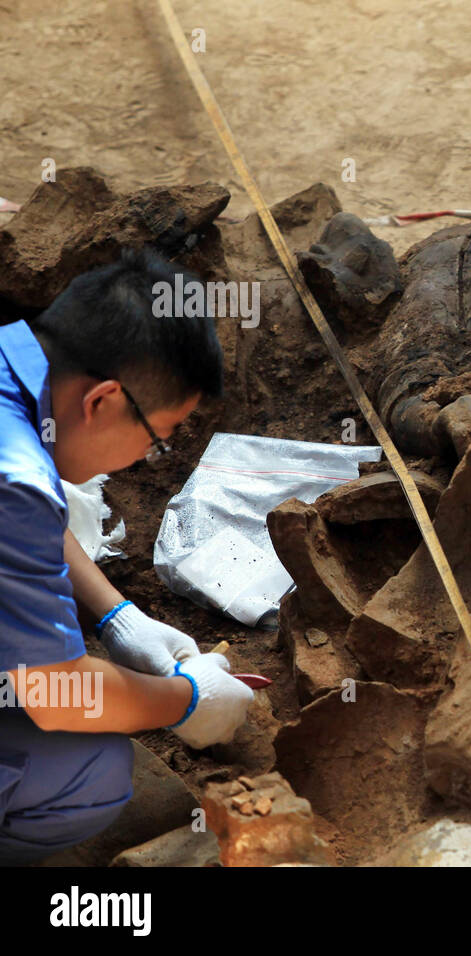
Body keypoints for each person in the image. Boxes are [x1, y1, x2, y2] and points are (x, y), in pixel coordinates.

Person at [0, 247, 253, 864]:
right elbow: (54, 695)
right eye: (157, 439)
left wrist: (119, 616)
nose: (145, 458)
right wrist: (187, 702)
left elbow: (22, 524)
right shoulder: (17, 480)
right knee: (90, 770)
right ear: (103, 401)